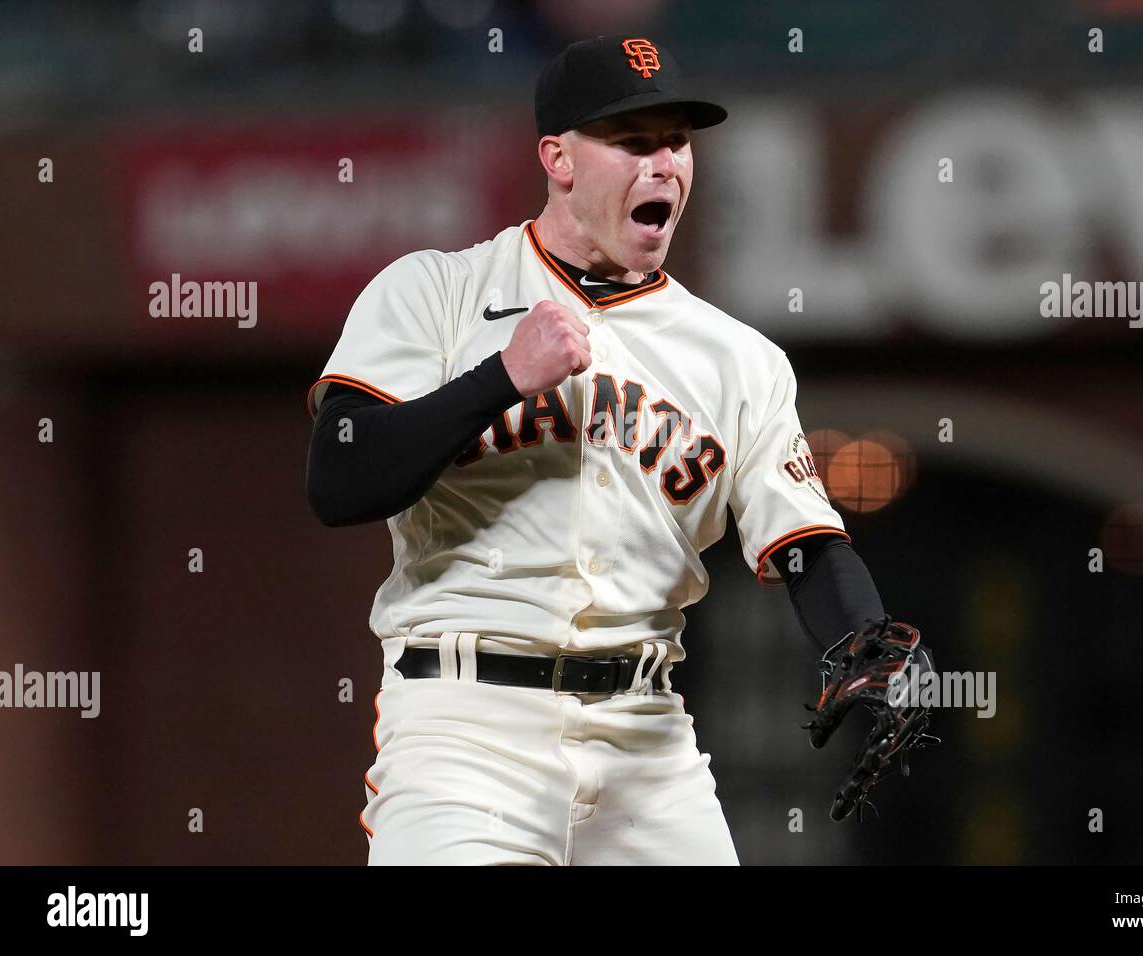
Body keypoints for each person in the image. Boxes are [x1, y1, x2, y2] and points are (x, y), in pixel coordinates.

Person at [305, 35, 889, 865]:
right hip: (466, 730)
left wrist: (864, 638)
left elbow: (806, 544)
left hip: (646, 739)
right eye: (632, 141)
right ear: (559, 157)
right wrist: (501, 377)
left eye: (677, 141)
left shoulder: (739, 360)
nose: (663, 164)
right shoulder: (435, 291)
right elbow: (340, 478)